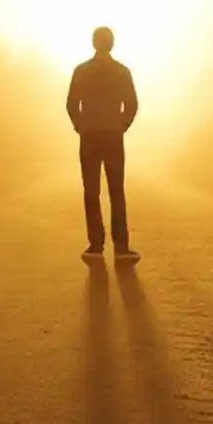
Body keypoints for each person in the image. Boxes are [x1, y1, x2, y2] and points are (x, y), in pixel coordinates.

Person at [67, 26, 140, 262]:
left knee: (91, 191)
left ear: (93, 43)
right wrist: (122, 125)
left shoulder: (81, 71)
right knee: (116, 191)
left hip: (89, 137)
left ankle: (95, 246)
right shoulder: (122, 72)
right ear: (112, 44)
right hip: (112, 136)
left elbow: (71, 104)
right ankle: (121, 247)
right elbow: (132, 105)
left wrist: (80, 125)